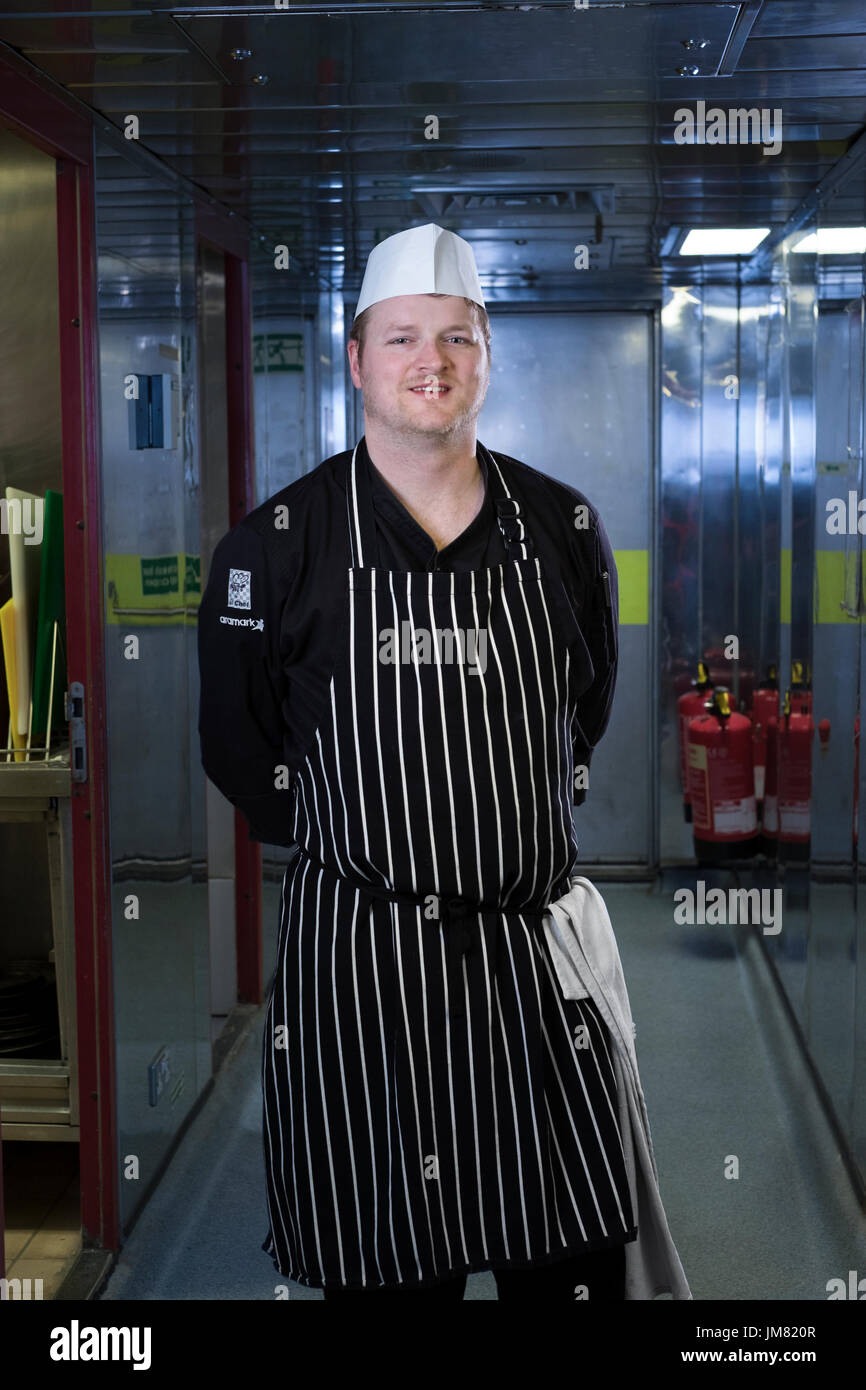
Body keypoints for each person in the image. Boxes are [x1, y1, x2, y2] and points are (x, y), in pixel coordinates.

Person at [197, 223, 635, 1301]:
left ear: (487, 354)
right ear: (355, 357)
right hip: (359, 970)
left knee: (564, 1261)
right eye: (400, 339)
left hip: (531, 965)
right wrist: (377, 845)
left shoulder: (561, 526)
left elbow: (581, 713)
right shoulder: (275, 543)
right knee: (388, 1269)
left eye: (454, 338)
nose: (427, 363)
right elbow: (241, 748)